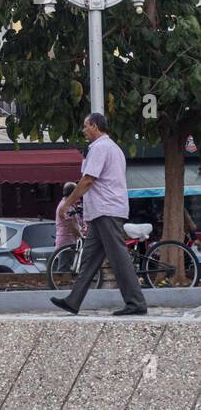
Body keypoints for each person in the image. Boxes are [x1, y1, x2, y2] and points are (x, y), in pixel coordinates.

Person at [51, 113, 147, 316]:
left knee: (119, 258)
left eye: (86, 126)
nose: (84, 130)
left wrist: (67, 204)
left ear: (94, 126)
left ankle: (136, 302)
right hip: (100, 212)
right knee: (89, 259)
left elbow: (87, 180)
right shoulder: (112, 148)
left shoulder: (101, 148)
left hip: (106, 210)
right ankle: (73, 300)